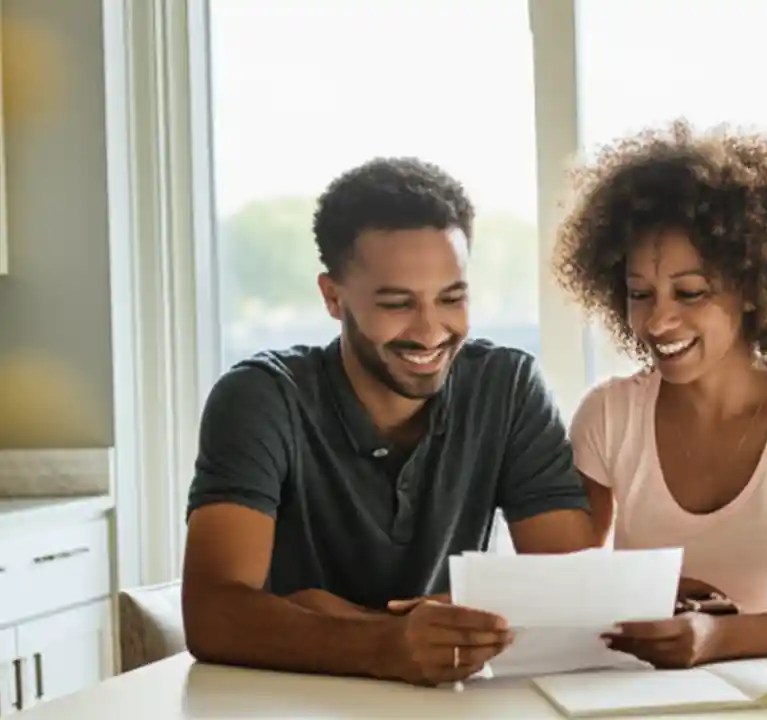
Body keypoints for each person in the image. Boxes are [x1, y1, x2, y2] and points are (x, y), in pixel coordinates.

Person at [182, 158, 599, 686]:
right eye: (397, 304)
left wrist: (357, 622)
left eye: (452, 298)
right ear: (333, 298)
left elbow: (575, 588)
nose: (430, 332)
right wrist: (387, 643)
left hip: (450, 699)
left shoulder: (508, 387)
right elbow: (212, 615)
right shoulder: (260, 397)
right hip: (293, 704)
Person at [555, 120, 767, 669]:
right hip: (647, 700)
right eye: (640, 293)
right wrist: (642, 594)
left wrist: (718, 639)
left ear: (751, 288)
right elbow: (567, 582)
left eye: (690, 292)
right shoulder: (608, 414)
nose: (659, 319)